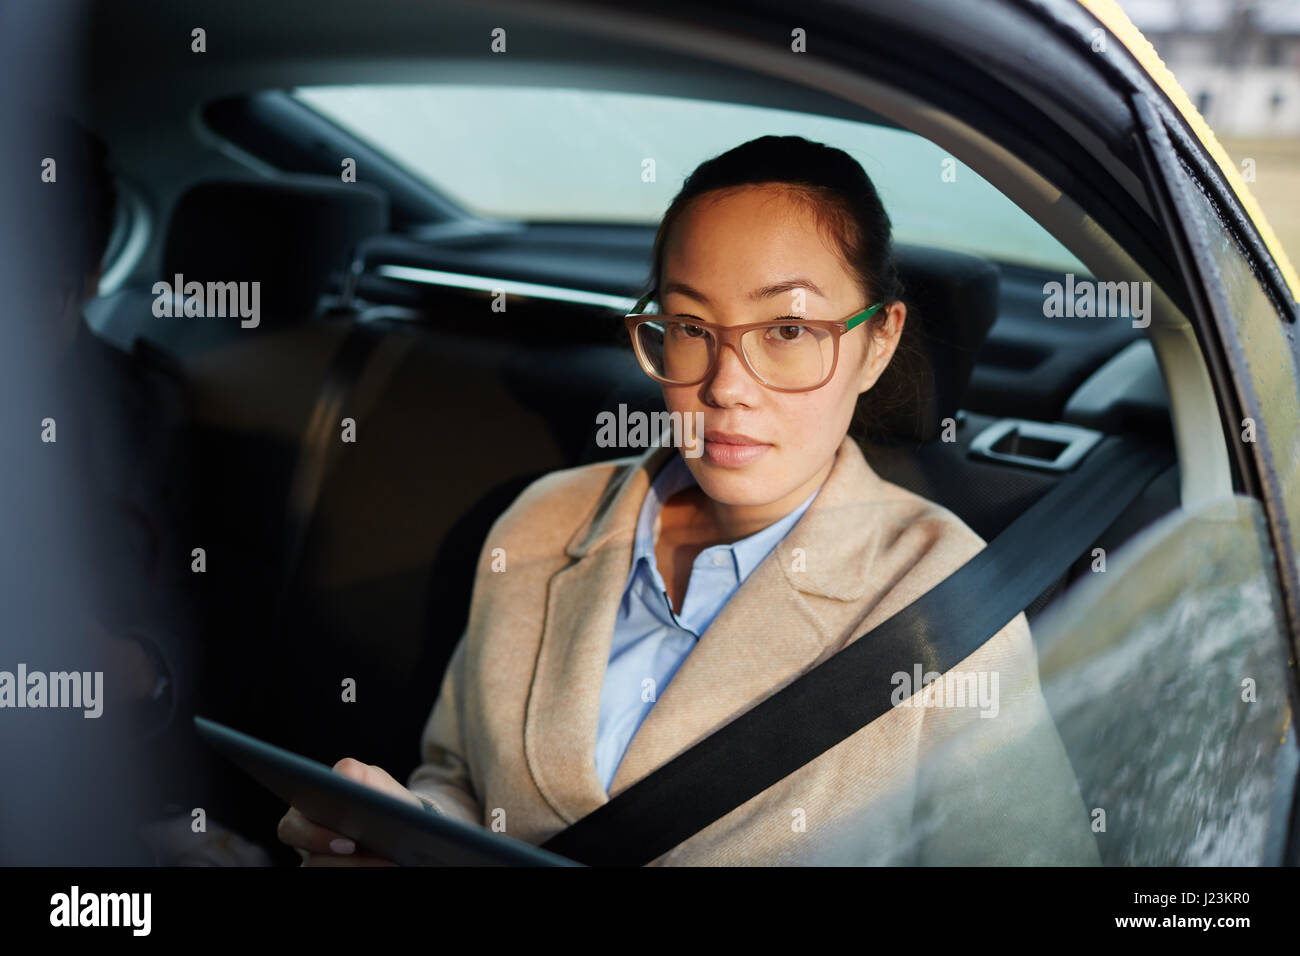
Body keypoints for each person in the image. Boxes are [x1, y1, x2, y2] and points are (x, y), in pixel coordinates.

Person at [278, 135, 1100, 866]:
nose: (726, 387)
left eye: (787, 331)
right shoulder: (542, 522)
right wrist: (408, 831)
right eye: (691, 328)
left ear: (878, 341)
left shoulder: (939, 604)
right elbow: (459, 776)